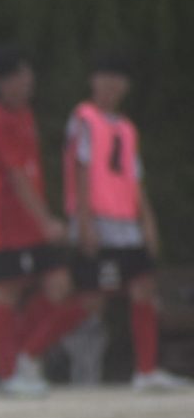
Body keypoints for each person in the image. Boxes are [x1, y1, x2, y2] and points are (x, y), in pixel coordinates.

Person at [64, 53, 186, 392]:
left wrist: (147, 220)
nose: (111, 84)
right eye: (104, 76)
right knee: (92, 298)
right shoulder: (83, 119)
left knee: (143, 288)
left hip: (126, 222)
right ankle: (32, 351)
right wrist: (85, 221)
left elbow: (135, 178)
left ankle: (146, 370)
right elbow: (81, 169)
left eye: (117, 78)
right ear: (93, 81)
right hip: (98, 220)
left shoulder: (127, 128)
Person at [0, 46, 88, 398]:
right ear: (2, 82)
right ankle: (7, 374)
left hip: (30, 224)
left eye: (29, 76)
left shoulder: (25, 114)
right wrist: (46, 222)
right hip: (5, 225)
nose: (28, 83)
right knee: (5, 291)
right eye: (21, 76)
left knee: (62, 286)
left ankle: (25, 355)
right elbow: (16, 177)